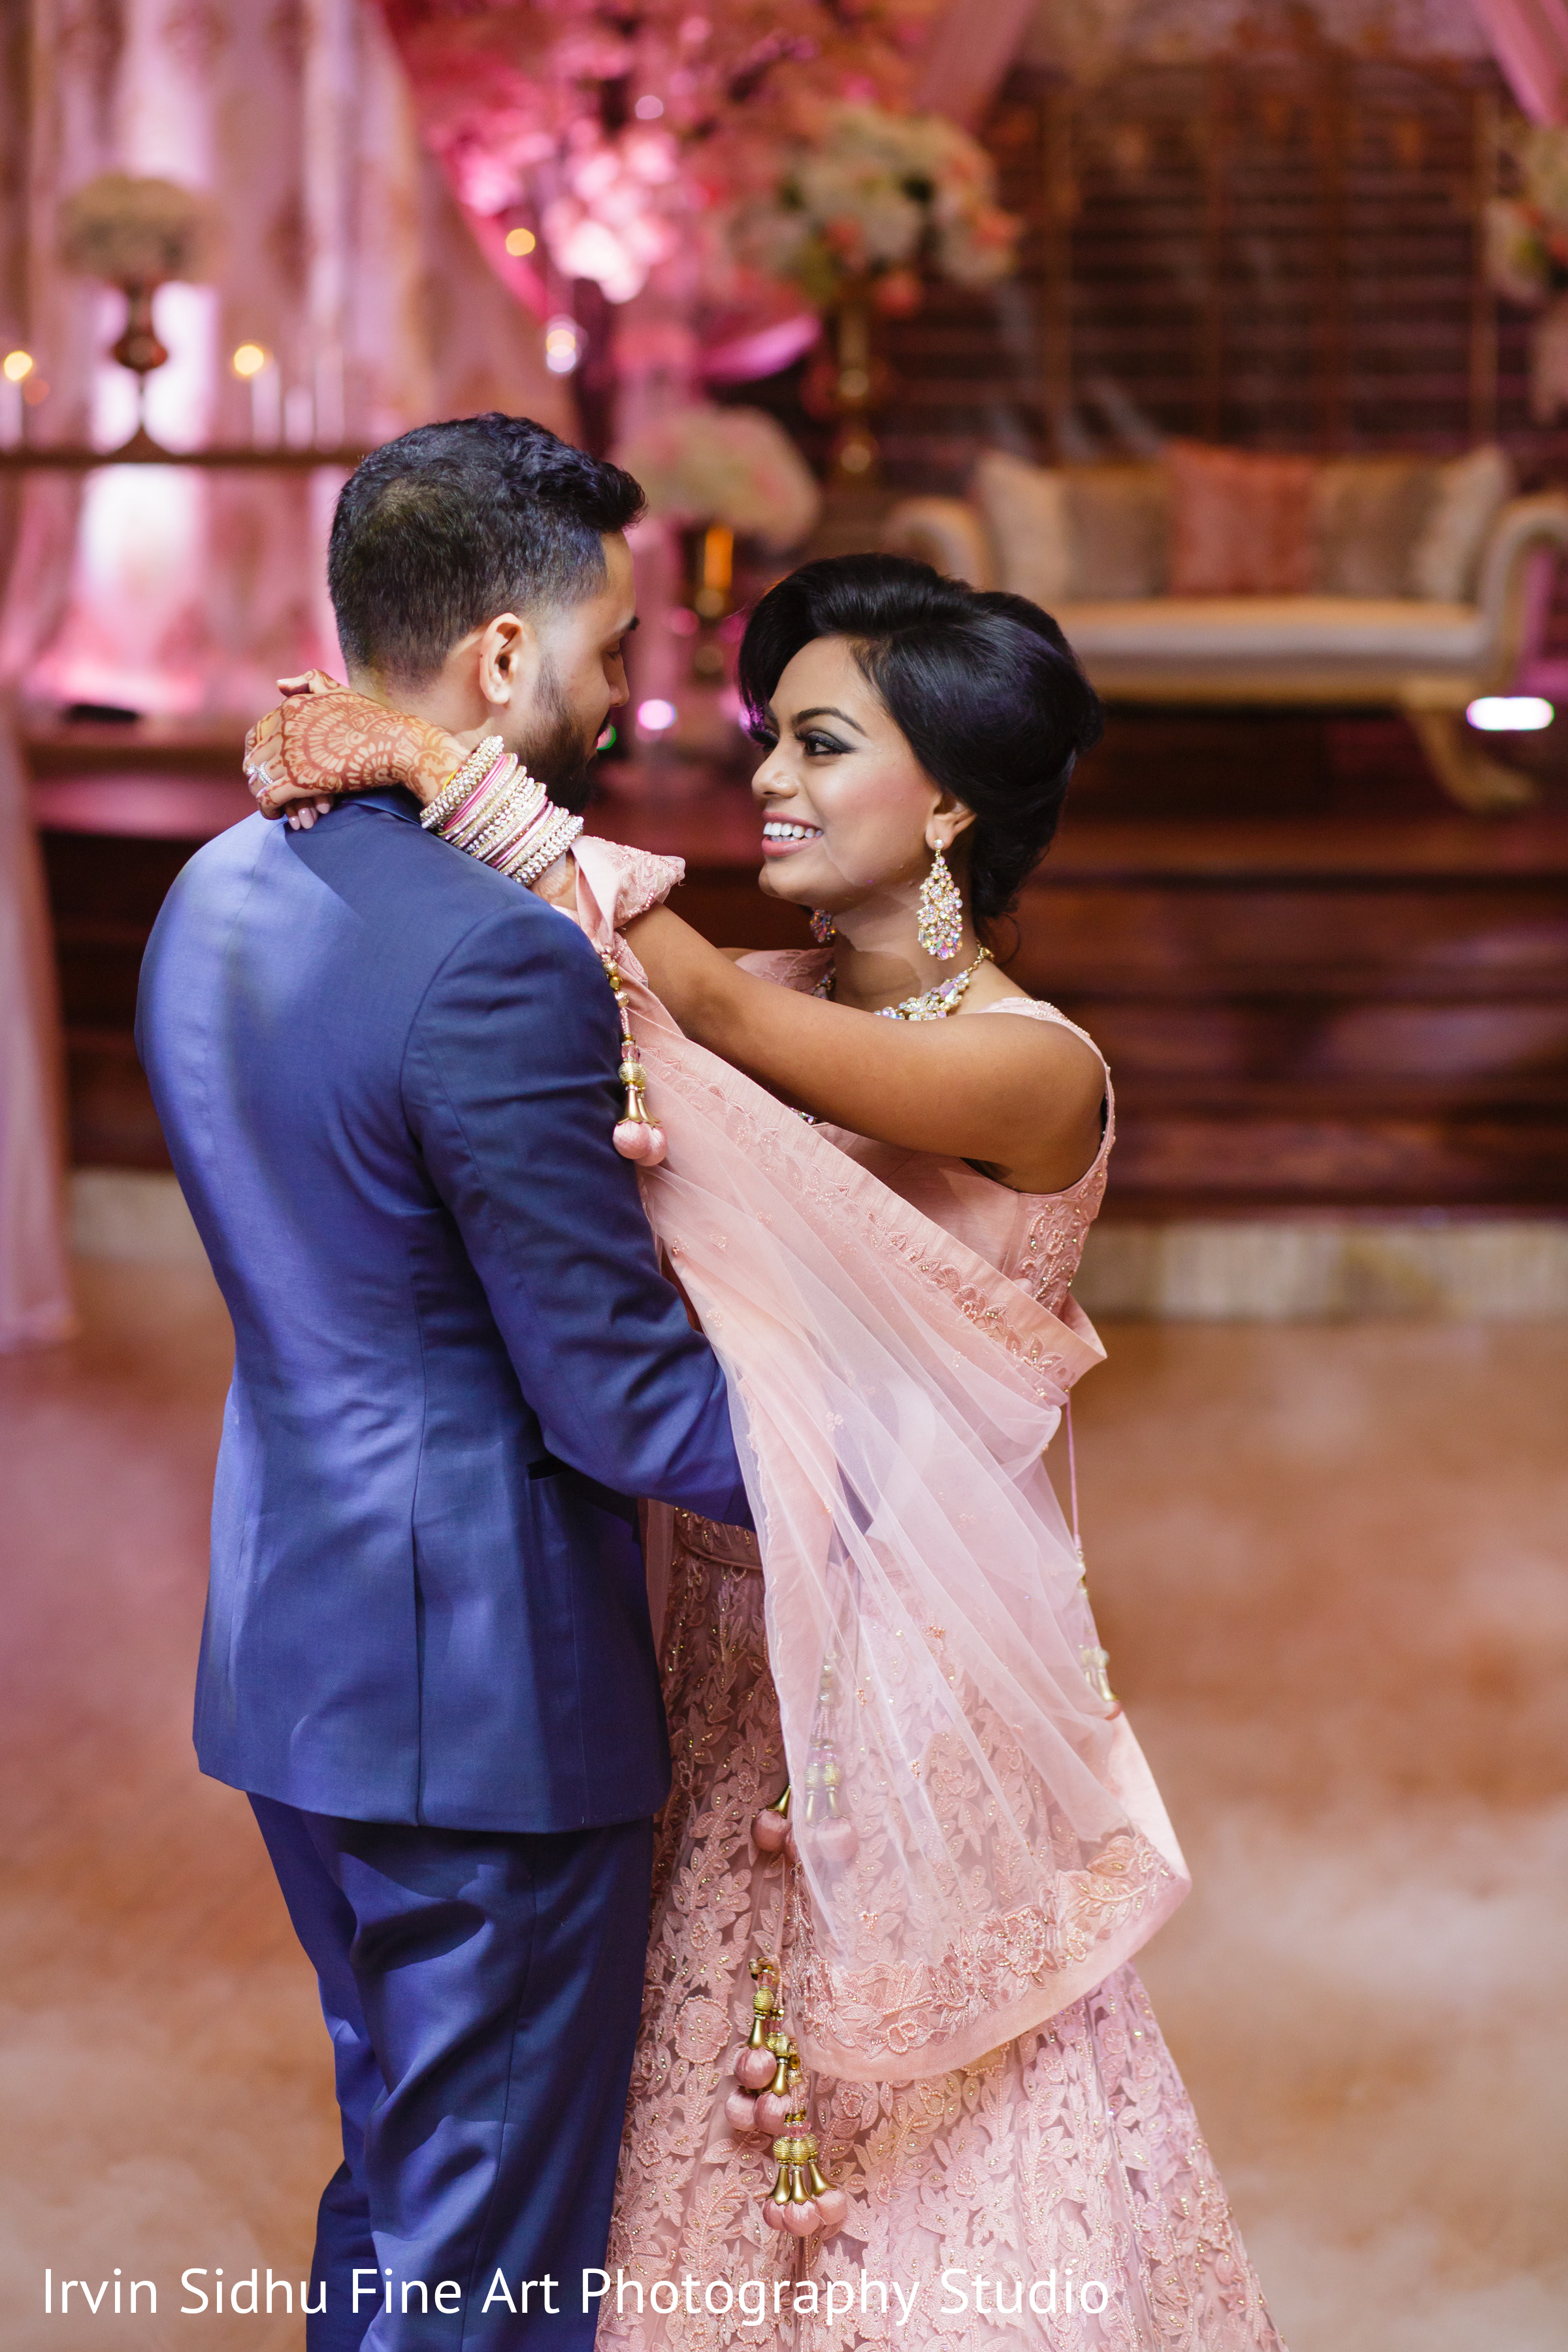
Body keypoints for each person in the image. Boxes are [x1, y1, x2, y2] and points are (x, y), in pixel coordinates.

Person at [250, 543, 1285, 2349]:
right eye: (767, 742)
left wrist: (452, 770)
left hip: (907, 1676)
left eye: (820, 746)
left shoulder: (1036, 1070)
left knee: (935, 2136)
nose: (767, 785)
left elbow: (719, 1031)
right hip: (710, 1646)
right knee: (680, 2110)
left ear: (950, 799)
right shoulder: (738, 978)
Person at [135, 415, 755, 2352]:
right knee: (481, 2253)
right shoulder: (502, 962)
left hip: (300, 1655)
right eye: (607, 653)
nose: (620, 696)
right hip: (484, 1698)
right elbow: (622, 1405)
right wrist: (911, 1460)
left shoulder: (210, 896)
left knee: (412, 2190)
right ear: (499, 656)